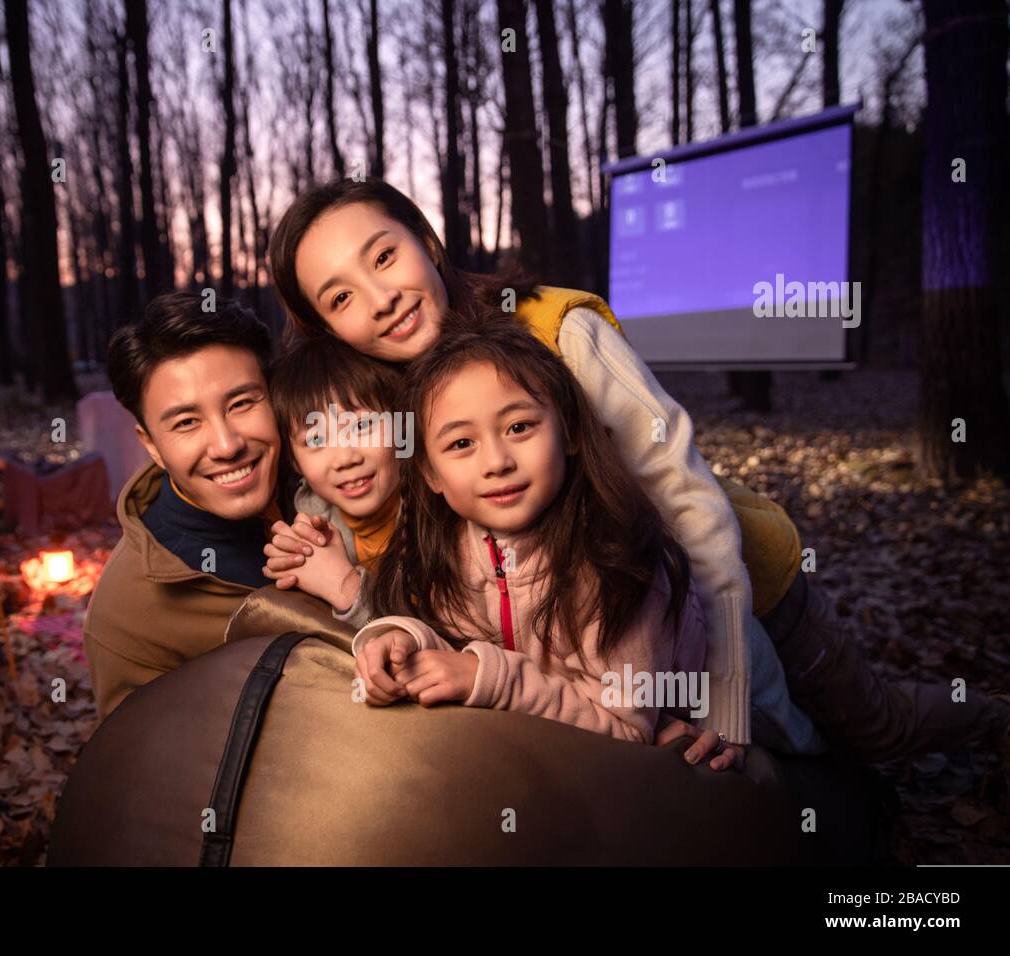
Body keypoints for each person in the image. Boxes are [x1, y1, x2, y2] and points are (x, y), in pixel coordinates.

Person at [267, 177, 1010, 768]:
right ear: (326, 327)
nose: (381, 299)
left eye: (384, 257)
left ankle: (989, 720)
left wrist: (719, 697)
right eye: (341, 297)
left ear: (428, 242)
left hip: (734, 583)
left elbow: (686, 502)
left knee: (868, 730)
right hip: (609, 647)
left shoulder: (560, 330)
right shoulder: (396, 391)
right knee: (782, 771)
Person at [351, 318, 713, 744]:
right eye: (462, 444)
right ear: (431, 473)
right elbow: (459, 657)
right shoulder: (452, 548)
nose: (497, 462)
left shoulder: (620, 565)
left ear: (569, 432)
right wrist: (403, 641)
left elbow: (626, 737)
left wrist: (493, 679)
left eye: (519, 427)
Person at [83, 291, 287, 720]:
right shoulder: (126, 616)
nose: (227, 445)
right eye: (187, 422)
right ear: (151, 445)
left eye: (241, 403)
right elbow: (140, 758)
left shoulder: (340, 480)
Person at [263, 335, 404, 626]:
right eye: (316, 440)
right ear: (295, 462)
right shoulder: (311, 525)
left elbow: (426, 643)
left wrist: (344, 585)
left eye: (362, 425)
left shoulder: (446, 518)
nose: (344, 458)